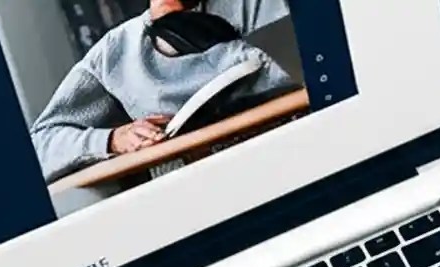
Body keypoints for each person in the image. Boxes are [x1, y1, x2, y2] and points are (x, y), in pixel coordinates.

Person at [31, 0, 295, 183]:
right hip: (194, 201)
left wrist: (182, 32)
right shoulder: (115, 52)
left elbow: (314, 60)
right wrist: (111, 139)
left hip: (292, 160)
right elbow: (40, 147)